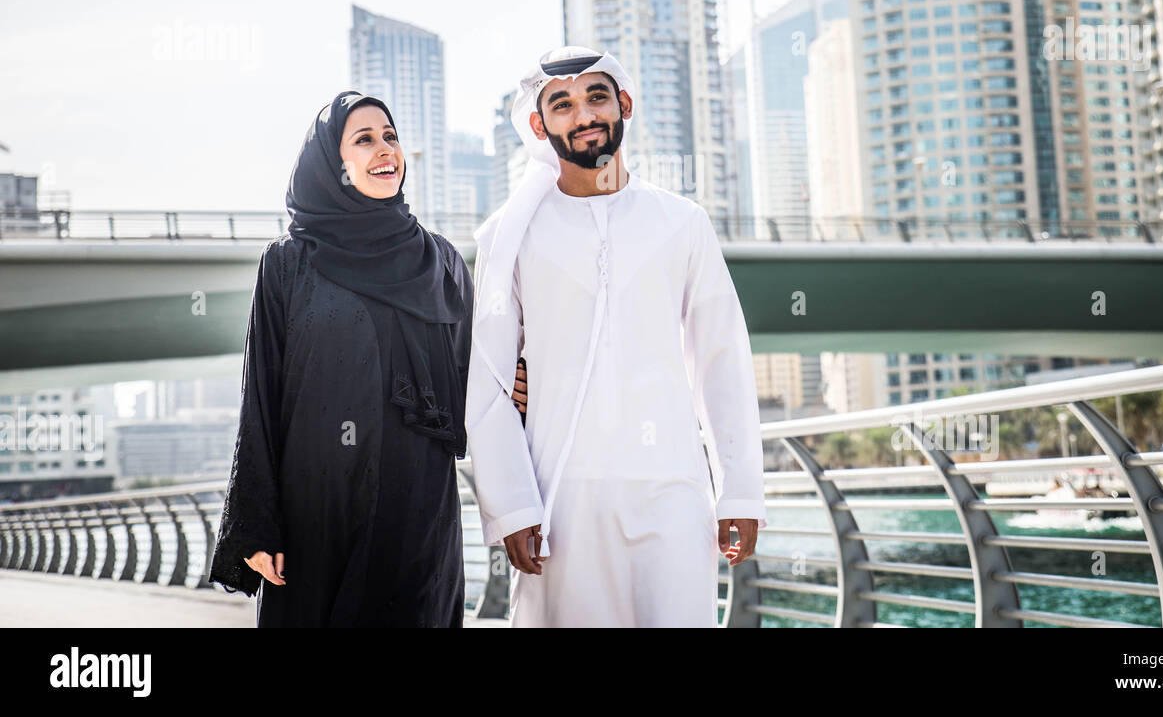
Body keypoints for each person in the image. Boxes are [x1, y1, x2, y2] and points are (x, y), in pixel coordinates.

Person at [466, 46, 766, 628]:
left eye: (597, 97)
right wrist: (510, 506)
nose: (584, 116)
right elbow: (491, 381)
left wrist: (740, 491)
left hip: (674, 493)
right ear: (539, 124)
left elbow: (722, 359)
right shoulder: (509, 236)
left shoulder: (682, 222)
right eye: (563, 104)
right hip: (560, 500)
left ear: (623, 103)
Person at [207, 90, 515, 627]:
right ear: (333, 162)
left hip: (419, 509)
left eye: (391, 137)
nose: (384, 150)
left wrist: (520, 380)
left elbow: (475, 383)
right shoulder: (289, 262)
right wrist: (256, 525)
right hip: (318, 508)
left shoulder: (440, 261)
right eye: (365, 140)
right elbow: (260, 396)